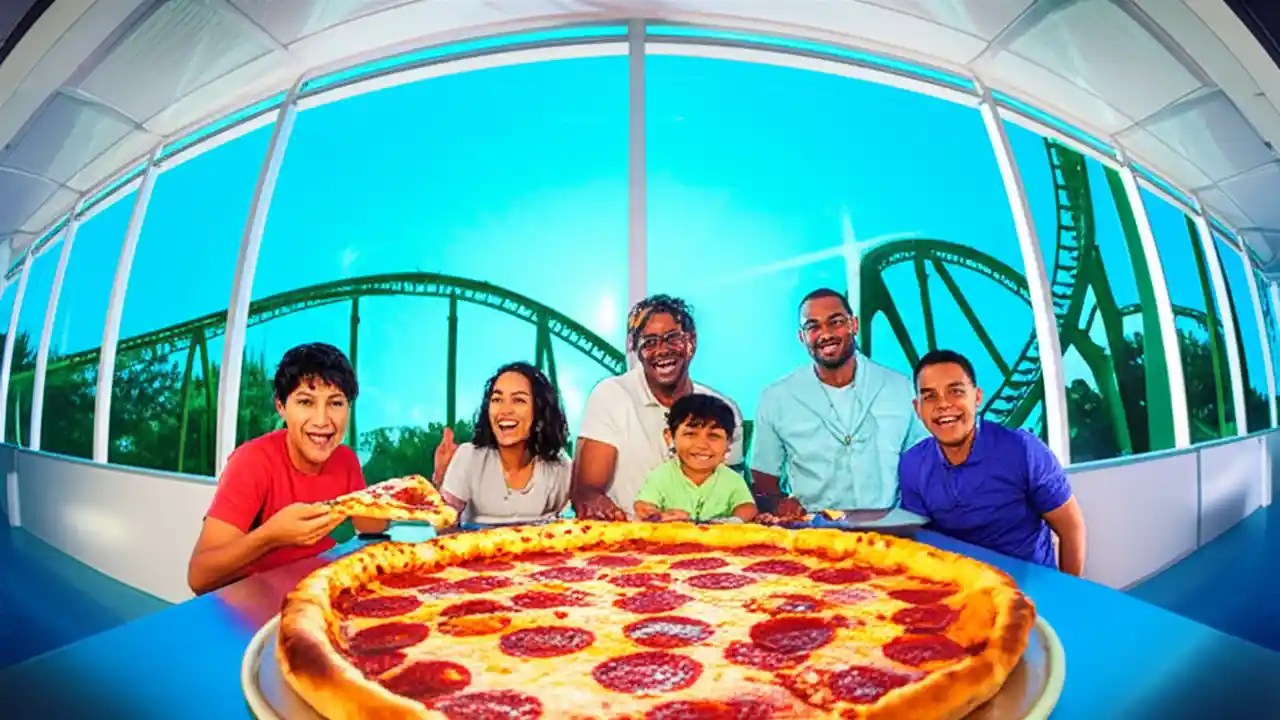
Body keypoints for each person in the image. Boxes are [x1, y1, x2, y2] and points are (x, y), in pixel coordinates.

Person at [187, 343, 387, 595]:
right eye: (305, 402)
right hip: (260, 602)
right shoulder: (252, 461)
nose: (322, 421)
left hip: (321, 587)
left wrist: (393, 498)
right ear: (281, 406)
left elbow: (370, 528)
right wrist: (271, 536)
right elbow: (199, 576)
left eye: (335, 403)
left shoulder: (345, 458)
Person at [899, 349, 1087, 575]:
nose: (943, 404)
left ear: (977, 397)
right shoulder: (912, 464)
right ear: (917, 408)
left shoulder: (1023, 450)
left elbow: (1071, 528)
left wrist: (1067, 601)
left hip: (1032, 589)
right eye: (930, 396)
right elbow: (918, 541)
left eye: (955, 392)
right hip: (962, 589)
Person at [751, 288, 928, 519]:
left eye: (835, 322)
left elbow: (924, 463)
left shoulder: (899, 387)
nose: (826, 334)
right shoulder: (776, 397)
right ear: (801, 337)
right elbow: (763, 479)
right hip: (814, 535)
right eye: (813, 327)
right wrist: (781, 507)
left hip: (892, 530)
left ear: (853, 324)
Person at [573, 294, 744, 520]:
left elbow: (737, 496)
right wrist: (598, 505)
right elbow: (587, 492)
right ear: (636, 350)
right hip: (627, 541)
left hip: (705, 540)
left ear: (692, 342)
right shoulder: (612, 395)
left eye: (672, 338)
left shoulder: (724, 409)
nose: (662, 350)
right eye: (649, 342)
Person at [434, 362, 571, 526]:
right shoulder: (469, 457)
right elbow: (443, 524)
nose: (505, 411)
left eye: (518, 400)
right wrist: (441, 480)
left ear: (540, 412)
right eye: (497, 399)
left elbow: (572, 529)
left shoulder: (560, 466)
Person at [635, 393, 757, 523]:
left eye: (713, 436)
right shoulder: (662, 476)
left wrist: (733, 521)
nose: (702, 445)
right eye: (690, 434)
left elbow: (747, 507)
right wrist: (660, 516)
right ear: (670, 437)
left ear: (729, 443)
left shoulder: (732, 479)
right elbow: (642, 505)